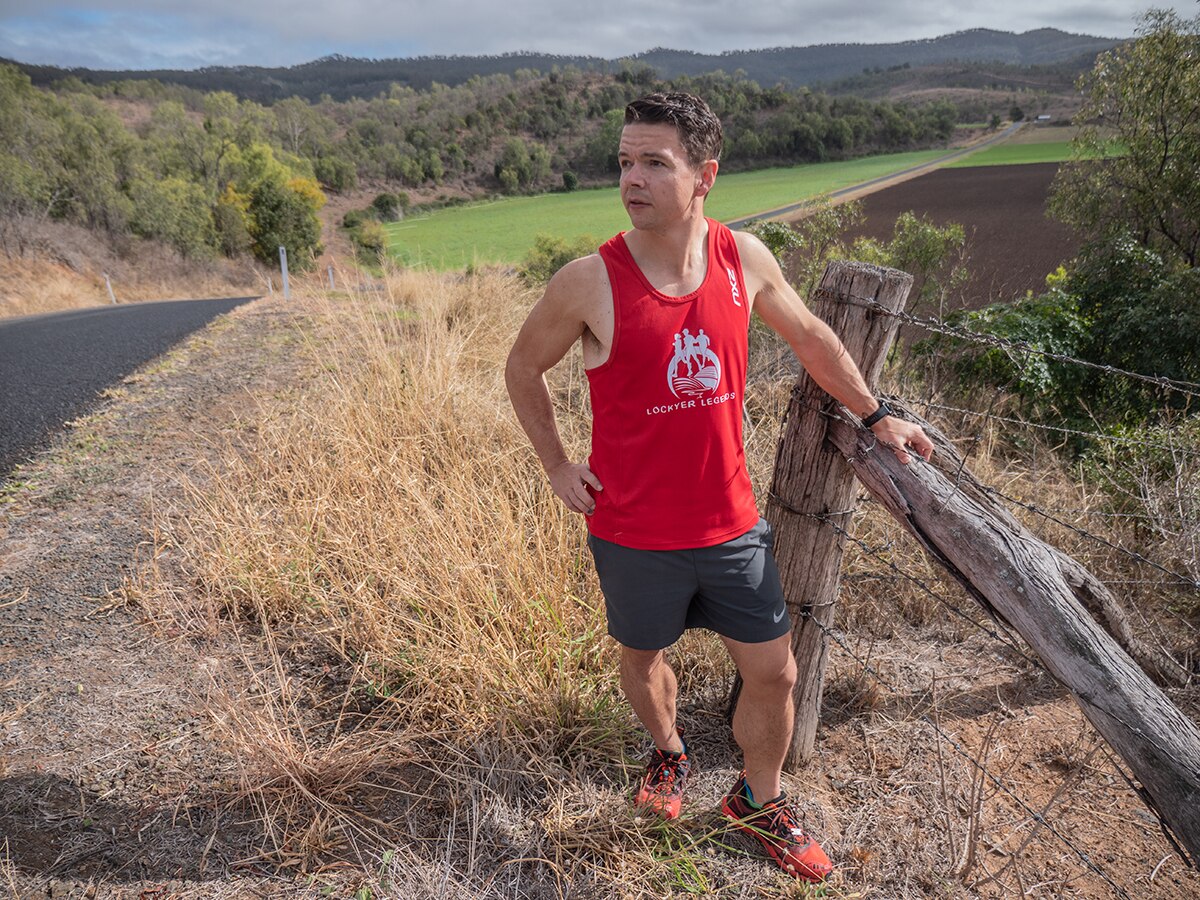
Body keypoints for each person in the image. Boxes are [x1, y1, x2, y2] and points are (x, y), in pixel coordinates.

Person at [505, 91, 934, 882]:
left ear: (705, 174)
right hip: (631, 529)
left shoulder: (746, 259)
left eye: (653, 163)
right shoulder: (588, 281)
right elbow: (522, 366)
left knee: (776, 672)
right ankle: (668, 754)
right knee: (642, 658)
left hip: (730, 524)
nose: (631, 178)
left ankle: (758, 798)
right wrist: (556, 466)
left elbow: (810, 337)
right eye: (625, 162)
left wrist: (879, 415)